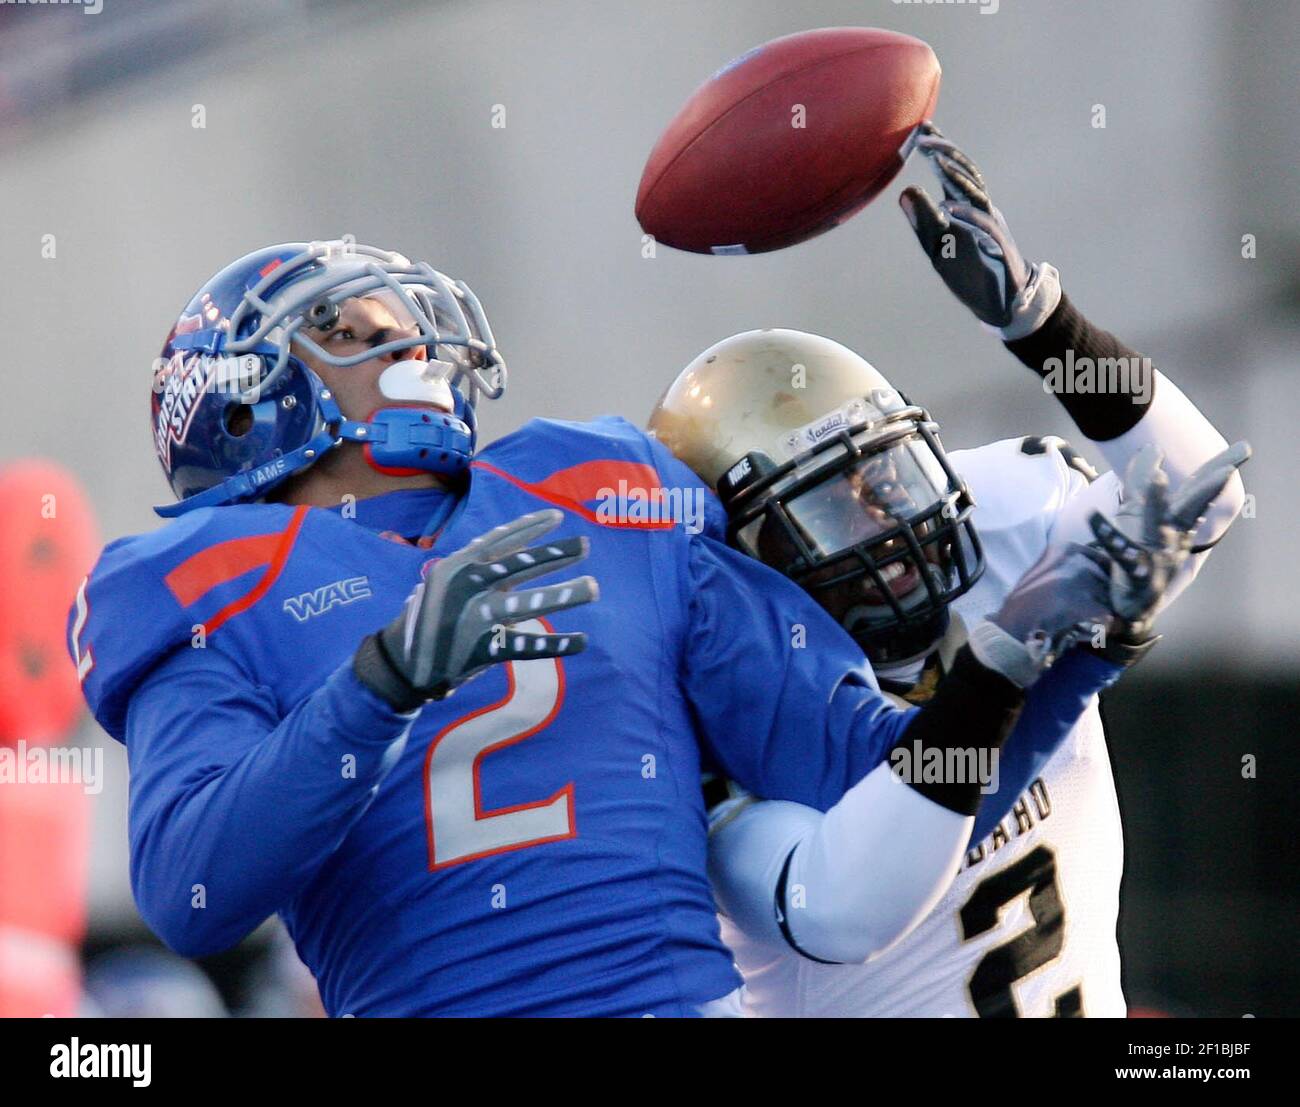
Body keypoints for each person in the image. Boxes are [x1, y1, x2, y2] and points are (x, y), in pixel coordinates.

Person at [74, 239, 1144, 1016]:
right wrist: (377, 689)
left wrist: (1050, 655)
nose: (416, 345)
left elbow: (872, 778)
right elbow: (193, 893)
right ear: (249, 406)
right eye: (353, 333)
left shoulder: (599, 485)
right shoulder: (208, 584)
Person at [648, 131, 1249, 1017]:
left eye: (888, 475)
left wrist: (1048, 331)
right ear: (749, 562)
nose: (891, 520)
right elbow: (846, 907)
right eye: (834, 507)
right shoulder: (734, 724)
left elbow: (1202, 489)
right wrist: (1025, 656)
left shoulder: (999, 524)